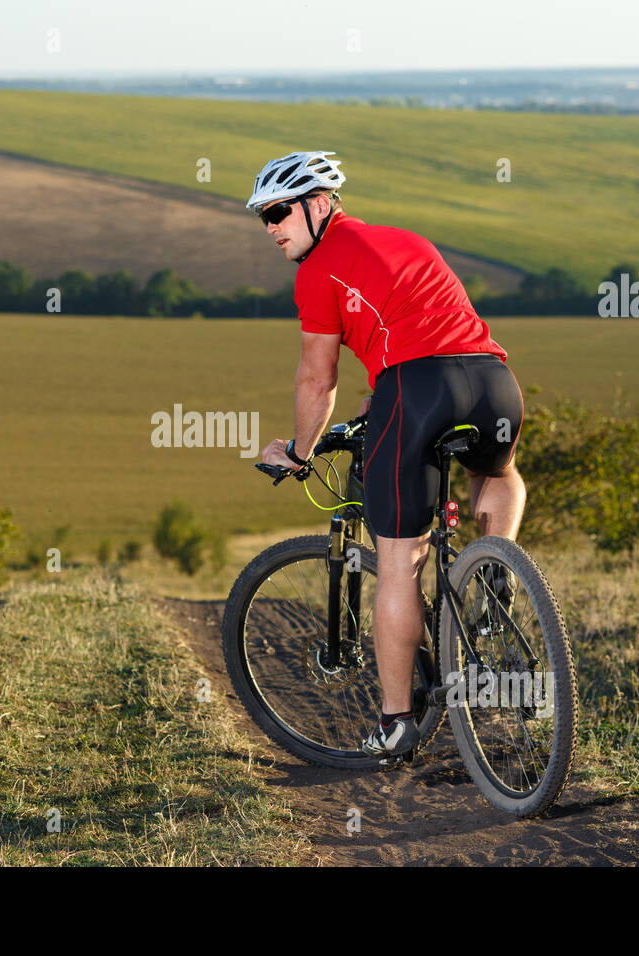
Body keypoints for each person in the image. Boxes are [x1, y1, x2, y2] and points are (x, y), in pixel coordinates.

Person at [248, 150, 527, 762]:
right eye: (263, 217)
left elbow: (317, 380)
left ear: (320, 205)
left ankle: (397, 722)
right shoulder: (410, 240)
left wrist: (298, 452)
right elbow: (426, 327)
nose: (271, 228)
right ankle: (495, 567)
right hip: (493, 382)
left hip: (418, 390)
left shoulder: (316, 272)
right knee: (497, 471)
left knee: (399, 561)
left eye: (278, 212)